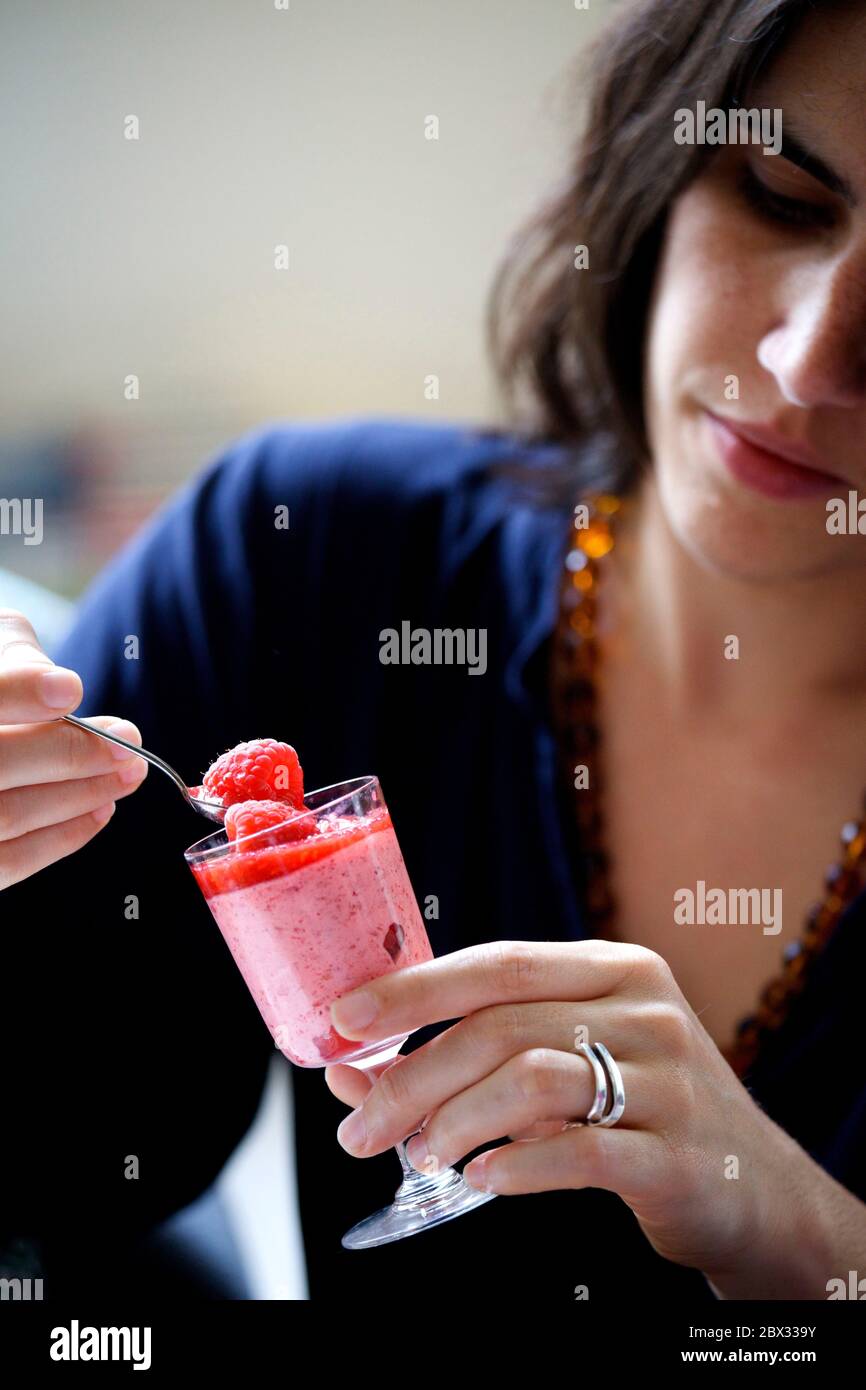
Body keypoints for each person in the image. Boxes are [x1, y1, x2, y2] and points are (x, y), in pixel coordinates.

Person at [2, 0, 865, 1302]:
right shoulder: (302, 555)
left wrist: (801, 1238)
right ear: (660, 174)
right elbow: (60, 1176)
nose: (808, 359)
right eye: (780, 195)